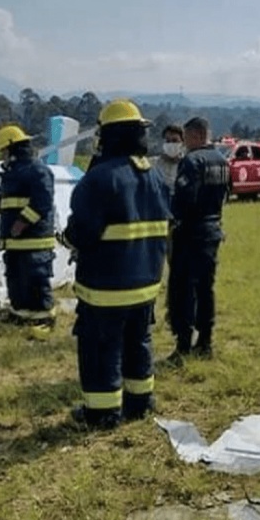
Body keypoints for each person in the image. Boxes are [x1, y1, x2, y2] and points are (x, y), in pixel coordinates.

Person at [61, 99, 170, 429]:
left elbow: (82, 234)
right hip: (147, 283)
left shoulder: (98, 179)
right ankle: (140, 403)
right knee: (139, 341)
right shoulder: (155, 177)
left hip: (106, 288)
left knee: (100, 348)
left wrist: (67, 239)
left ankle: (102, 413)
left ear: (106, 136)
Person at [0, 124, 57, 340]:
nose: (1, 156)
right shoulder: (12, 174)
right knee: (16, 280)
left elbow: (42, 203)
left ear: (12, 149)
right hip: (14, 242)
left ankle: (43, 319)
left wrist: (22, 222)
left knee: (36, 280)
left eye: (3, 151)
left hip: (35, 241)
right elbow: (7, 202)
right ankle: (20, 315)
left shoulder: (37, 170)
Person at [166, 116, 230, 362]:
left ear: (194, 136)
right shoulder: (222, 161)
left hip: (190, 233)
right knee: (206, 289)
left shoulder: (192, 161)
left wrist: (174, 221)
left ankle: (183, 344)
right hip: (212, 230)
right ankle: (205, 342)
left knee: (183, 290)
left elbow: (184, 200)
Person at [154, 124, 184, 196]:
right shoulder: (155, 164)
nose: (171, 144)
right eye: (168, 141)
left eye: (174, 140)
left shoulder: (187, 163)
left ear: (182, 142)